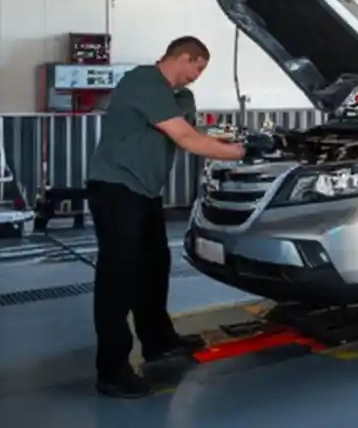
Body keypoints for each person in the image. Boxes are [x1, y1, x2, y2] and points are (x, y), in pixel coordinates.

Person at [85, 36, 247, 398]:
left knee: (154, 265)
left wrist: (228, 140)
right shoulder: (143, 81)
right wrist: (239, 154)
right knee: (118, 277)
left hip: (144, 192)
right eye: (198, 67)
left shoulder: (179, 97)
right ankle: (111, 370)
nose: (197, 76)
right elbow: (187, 139)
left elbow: (195, 132)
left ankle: (158, 341)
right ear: (183, 57)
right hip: (116, 188)